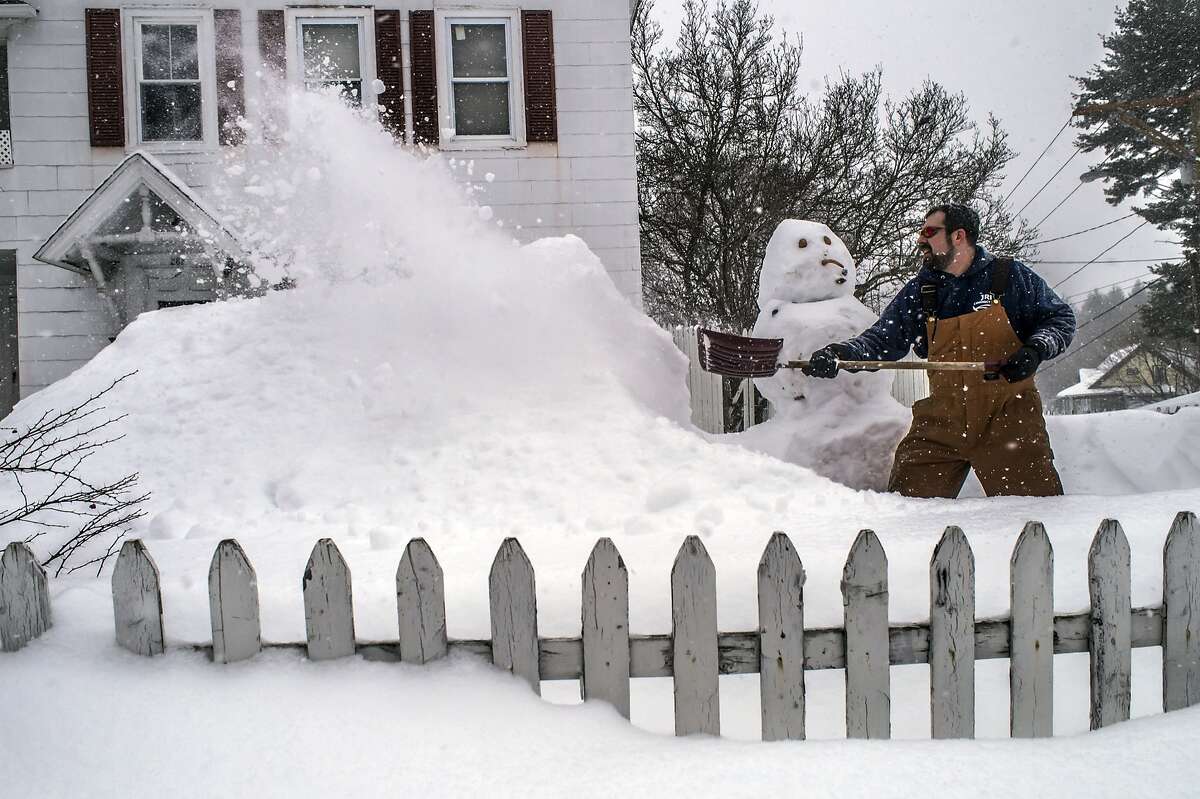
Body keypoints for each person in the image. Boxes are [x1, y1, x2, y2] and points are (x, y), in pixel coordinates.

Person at [802, 203, 1076, 498]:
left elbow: (1060, 319)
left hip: (1009, 418)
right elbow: (882, 339)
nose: (920, 240)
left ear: (958, 236)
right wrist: (840, 354)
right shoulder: (923, 291)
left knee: (1034, 513)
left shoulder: (1008, 277)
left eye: (929, 232)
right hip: (943, 421)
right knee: (907, 509)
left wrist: (1035, 349)